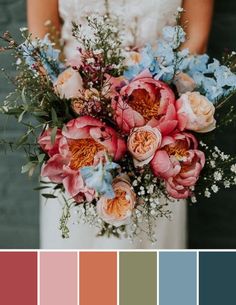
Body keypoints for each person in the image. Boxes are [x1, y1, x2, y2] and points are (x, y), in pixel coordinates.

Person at [27, 0, 214, 249]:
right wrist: (76, 105)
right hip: (77, 141)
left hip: (157, 137)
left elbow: (196, 40)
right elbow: (42, 38)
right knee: (71, 276)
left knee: (151, 277)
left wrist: (152, 116)